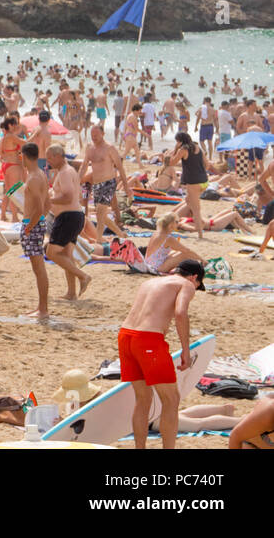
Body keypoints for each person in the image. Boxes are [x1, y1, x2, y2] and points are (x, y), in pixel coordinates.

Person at [118, 259, 204, 449]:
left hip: (125, 336)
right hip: (148, 340)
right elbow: (181, 313)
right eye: (198, 286)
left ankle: (139, 447)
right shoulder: (186, 285)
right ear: (194, 277)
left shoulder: (149, 282)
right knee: (171, 399)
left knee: (143, 398)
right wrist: (186, 350)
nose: (195, 289)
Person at [46, 143, 93, 300]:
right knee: (67, 254)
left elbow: (67, 196)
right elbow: (73, 196)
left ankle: (83, 276)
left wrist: (48, 199)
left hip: (68, 217)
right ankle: (71, 293)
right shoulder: (67, 171)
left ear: (59, 156)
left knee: (51, 252)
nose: (48, 161)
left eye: (50, 158)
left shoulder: (65, 172)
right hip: (75, 216)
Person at [79, 125, 129, 238]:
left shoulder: (109, 148)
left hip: (108, 183)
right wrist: (76, 180)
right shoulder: (90, 148)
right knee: (101, 215)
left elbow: (120, 167)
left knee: (100, 212)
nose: (94, 137)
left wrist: (126, 186)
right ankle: (120, 233)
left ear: (103, 134)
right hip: (97, 184)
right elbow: (84, 166)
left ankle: (99, 239)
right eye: (92, 135)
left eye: (96, 135)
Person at [19, 142, 50, 320]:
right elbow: (48, 205)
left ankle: (43, 310)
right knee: (38, 269)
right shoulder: (39, 175)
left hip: (33, 224)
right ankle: (41, 307)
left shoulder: (34, 178)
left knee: (39, 269)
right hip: (35, 223)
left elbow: (40, 207)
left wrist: (31, 226)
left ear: (24, 156)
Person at [168, 131, 208, 240]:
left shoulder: (183, 149)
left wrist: (175, 149)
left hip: (193, 182)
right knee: (188, 201)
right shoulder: (197, 147)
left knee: (196, 209)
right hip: (204, 181)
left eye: (177, 142)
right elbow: (207, 164)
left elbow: (171, 163)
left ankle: (200, 234)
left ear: (180, 141)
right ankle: (200, 223)